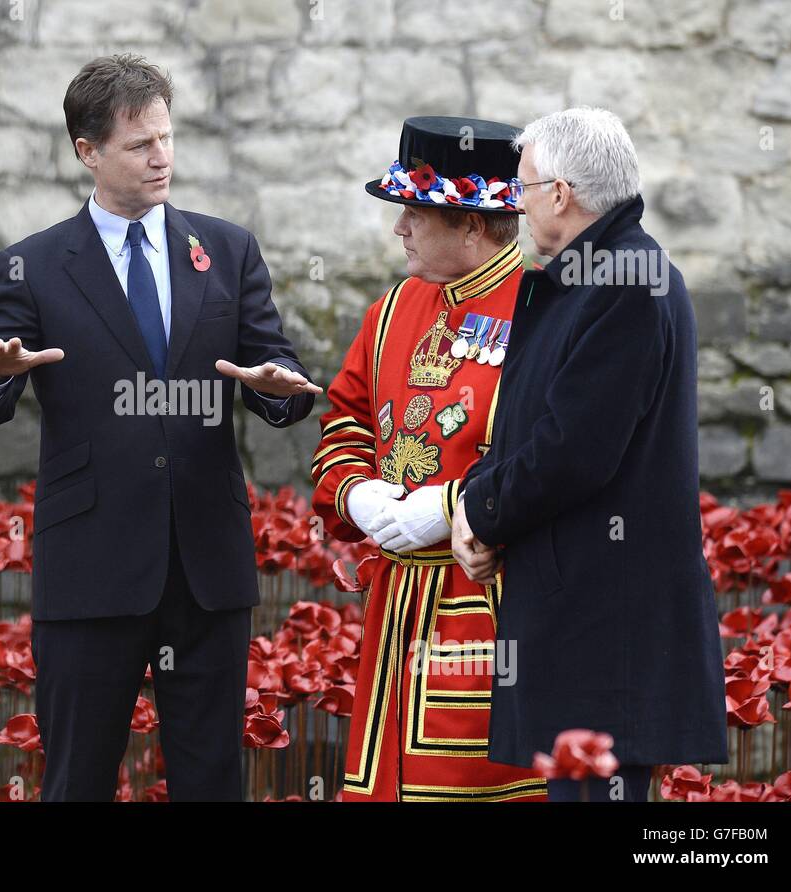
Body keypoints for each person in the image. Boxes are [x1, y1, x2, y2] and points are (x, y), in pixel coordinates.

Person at [0, 54, 319, 801]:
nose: (162, 157)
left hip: (206, 565)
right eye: (140, 144)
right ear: (87, 151)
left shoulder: (228, 249)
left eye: (168, 138)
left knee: (212, 780)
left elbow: (275, 369)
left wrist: (279, 390)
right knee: (78, 778)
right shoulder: (35, 265)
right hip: (92, 563)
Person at [451, 107, 728, 802]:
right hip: (579, 611)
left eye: (523, 187)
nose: (517, 202)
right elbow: (524, 424)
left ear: (561, 193)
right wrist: (479, 499)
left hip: (608, 626)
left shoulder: (627, 282)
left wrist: (479, 511)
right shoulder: (589, 277)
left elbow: (574, 451)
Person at [312, 116, 547, 801]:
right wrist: (356, 492)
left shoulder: (546, 309)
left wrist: (448, 508)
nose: (399, 229)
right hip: (395, 609)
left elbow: (555, 454)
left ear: (472, 226)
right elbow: (346, 422)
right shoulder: (391, 310)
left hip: (490, 600)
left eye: (414, 211)